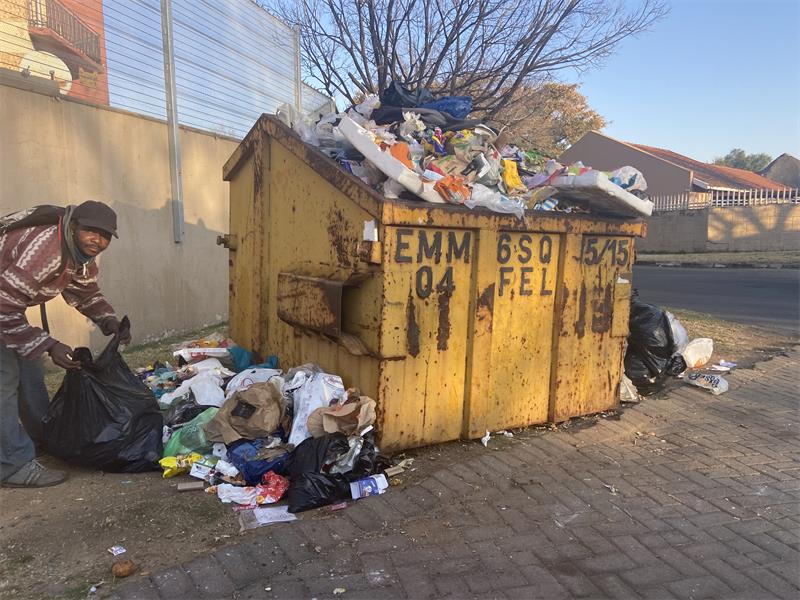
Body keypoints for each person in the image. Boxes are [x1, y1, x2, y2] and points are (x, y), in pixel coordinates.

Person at [0, 201, 130, 487]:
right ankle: (11, 465)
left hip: (7, 303)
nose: (98, 240)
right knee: (4, 380)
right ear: (73, 226)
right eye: (91, 232)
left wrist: (107, 320)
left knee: (29, 370)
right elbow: (4, 308)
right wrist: (50, 345)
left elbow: (85, 291)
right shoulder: (46, 250)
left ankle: (43, 438)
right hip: (3, 305)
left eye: (105, 235)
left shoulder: (78, 254)